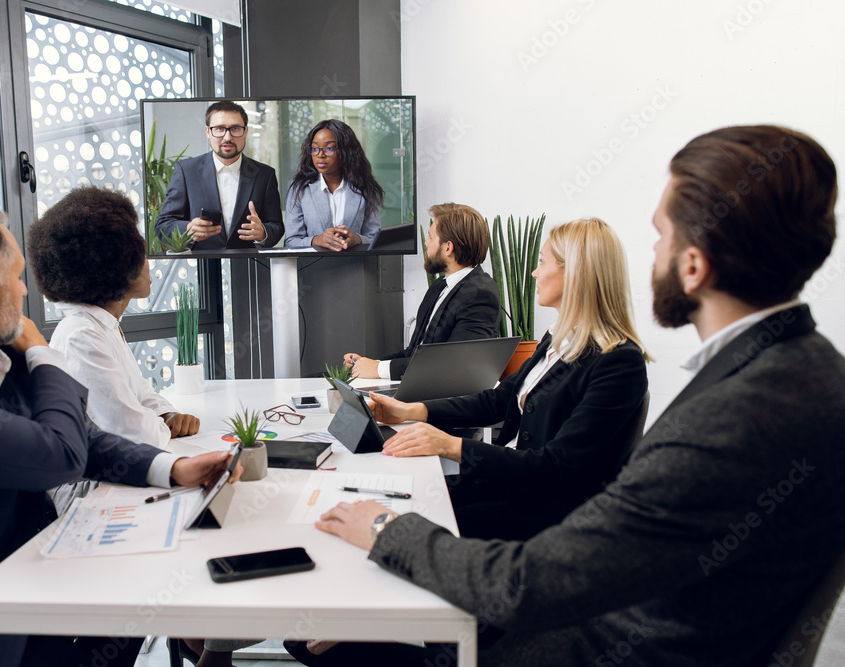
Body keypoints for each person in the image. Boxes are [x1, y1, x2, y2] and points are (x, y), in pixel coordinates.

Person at [307, 125, 845, 667]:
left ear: (694, 263)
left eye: (661, 235)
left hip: (584, 644)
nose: (653, 252)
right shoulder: (802, 372)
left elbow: (532, 582)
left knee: (328, 643)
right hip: (594, 622)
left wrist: (385, 531)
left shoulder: (734, 415)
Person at [0, 202, 238, 667]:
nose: (26, 291)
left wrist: (171, 466)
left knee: (143, 593)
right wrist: (43, 353)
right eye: (16, 278)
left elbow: (75, 437)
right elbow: (56, 453)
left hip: (15, 576)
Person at [369, 217, 651, 541]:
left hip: (548, 510)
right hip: (510, 485)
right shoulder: (558, 340)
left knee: (405, 528)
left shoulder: (618, 362)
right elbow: (498, 400)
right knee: (401, 498)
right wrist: (411, 411)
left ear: (575, 273)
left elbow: (557, 466)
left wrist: (450, 445)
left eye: (542, 262)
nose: (533, 272)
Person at [28, 186, 200, 451]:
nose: (147, 263)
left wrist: (168, 414)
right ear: (117, 263)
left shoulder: (102, 325)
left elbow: (139, 392)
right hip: (95, 487)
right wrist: (160, 426)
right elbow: (135, 433)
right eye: (139, 254)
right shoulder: (81, 335)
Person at [344, 202, 500, 380]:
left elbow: (456, 363)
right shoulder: (440, 285)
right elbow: (413, 353)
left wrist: (379, 369)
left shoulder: (480, 293)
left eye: (430, 237)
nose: (426, 243)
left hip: (441, 399)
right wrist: (367, 364)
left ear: (448, 247)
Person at [156, 100, 284, 251]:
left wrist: (263, 232)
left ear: (246, 131)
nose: (227, 137)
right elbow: (163, 225)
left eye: (235, 129)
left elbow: (276, 226)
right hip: (204, 267)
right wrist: (188, 229)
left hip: (249, 267)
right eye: (219, 129)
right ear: (208, 132)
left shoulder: (265, 174)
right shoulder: (186, 171)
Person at [283, 119, 383, 250]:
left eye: (329, 148)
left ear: (346, 151)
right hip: (312, 267)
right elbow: (291, 241)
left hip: (355, 267)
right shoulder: (300, 189)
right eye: (315, 148)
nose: (320, 155)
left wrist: (357, 239)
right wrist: (317, 240)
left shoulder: (365, 187)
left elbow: (375, 238)